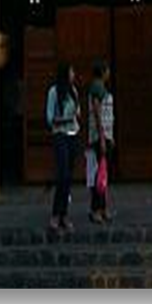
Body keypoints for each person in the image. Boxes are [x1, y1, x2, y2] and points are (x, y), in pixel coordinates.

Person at [45, 62, 80, 234]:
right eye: (72, 71)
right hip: (60, 135)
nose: (74, 74)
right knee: (63, 174)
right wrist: (62, 120)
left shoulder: (74, 91)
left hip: (72, 135)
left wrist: (74, 116)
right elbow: (49, 117)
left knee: (69, 176)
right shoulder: (54, 92)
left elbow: (77, 113)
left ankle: (64, 214)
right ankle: (55, 214)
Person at [86, 61, 112, 223]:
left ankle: (102, 208)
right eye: (107, 70)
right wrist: (102, 136)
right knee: (99, 174)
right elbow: (97, 110)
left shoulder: (99, 87)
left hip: (104, 135)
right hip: (99, 136)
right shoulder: (97, 88)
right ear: (103, 71)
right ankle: (96, 209)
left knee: (102, 173)